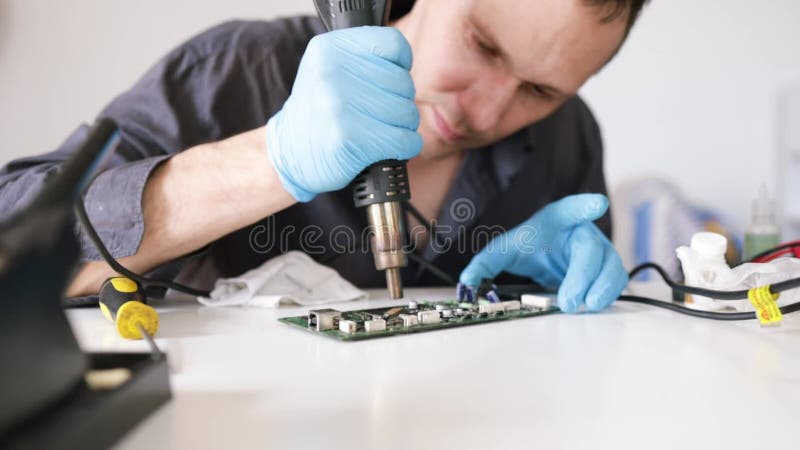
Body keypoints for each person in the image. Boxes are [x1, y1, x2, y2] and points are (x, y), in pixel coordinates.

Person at [0, 0, 648, 312]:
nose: (485, 112)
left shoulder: (570, 138)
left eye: (539, 90)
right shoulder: (232, 72)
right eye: (483, 44)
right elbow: (12, 255)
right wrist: (267, 162)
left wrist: (573, 291)